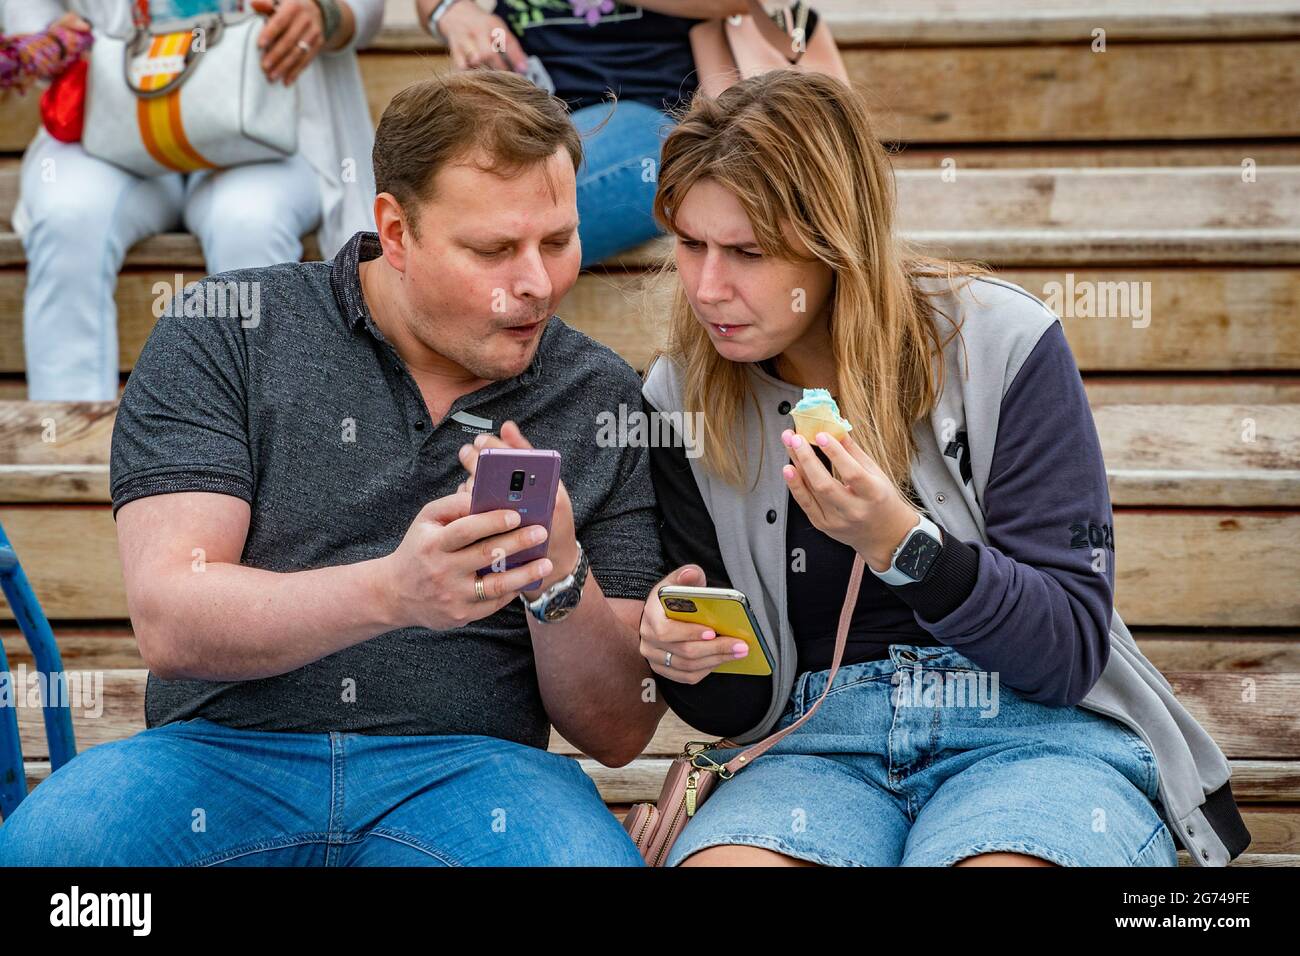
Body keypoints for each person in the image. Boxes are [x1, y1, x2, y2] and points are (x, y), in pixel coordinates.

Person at [0, 69, 667, 866]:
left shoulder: (598, 392)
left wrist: (559, 579)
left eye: (557, 241)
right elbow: (173, 617)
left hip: (475, 775)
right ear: (395, 230)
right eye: (493, 250)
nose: (535, 283)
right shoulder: (231, 332)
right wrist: (393, 591)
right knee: (55, 860)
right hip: (216, 758)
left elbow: (619, 732)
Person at [637, 70, 1252, 867]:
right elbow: (740, 703)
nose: (708, 287)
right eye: (691, 244)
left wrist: (902, 543)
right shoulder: (681, 397)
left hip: (1031, 734)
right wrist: (684, 654)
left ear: (836, 246)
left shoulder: (1000, 342)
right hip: (817, 746)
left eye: (749, 252)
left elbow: (1066, 650)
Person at [7, 0, 384, 401]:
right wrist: (46, 38)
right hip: (112, 124)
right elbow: (30, 22)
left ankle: (261, 443)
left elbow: (364, 11)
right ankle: (69, 439)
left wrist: (322, 14)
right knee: (68, 216)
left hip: (272, 122)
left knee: (248, 221)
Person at [416, 0, 751, 268]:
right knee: (429, 190)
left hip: (648, 113)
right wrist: (452, 10)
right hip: (517, 103)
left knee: (507, 200)